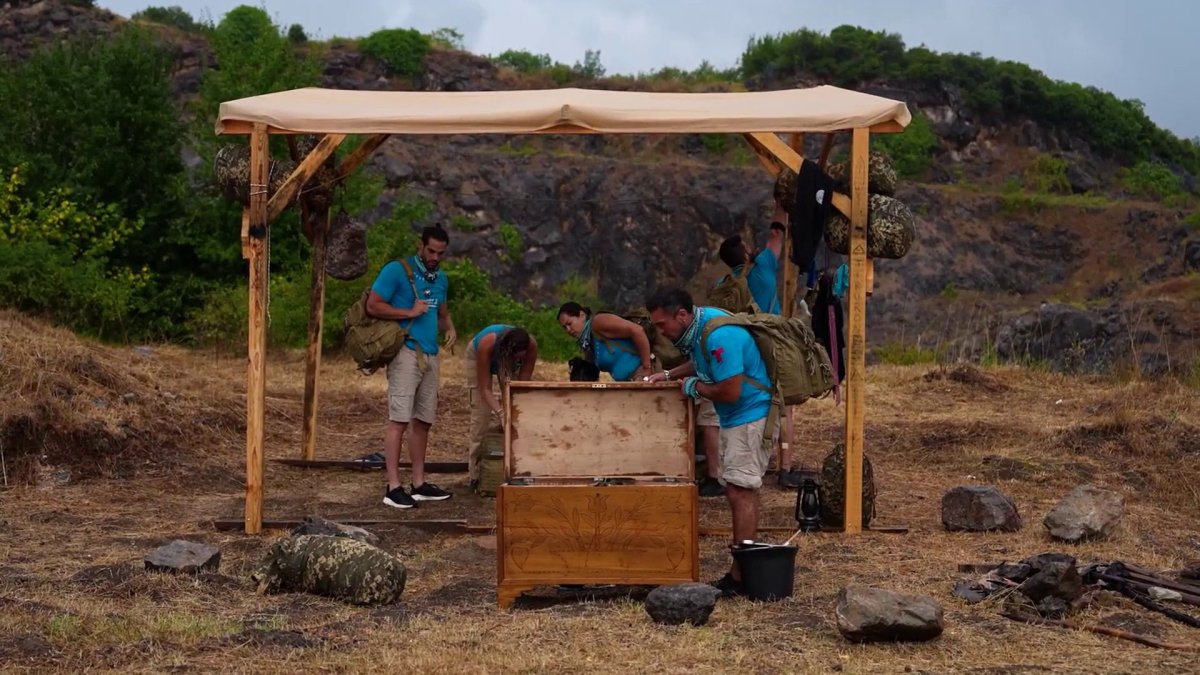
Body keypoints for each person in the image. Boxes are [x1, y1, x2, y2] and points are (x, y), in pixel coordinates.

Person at [644, 287, 776, 597]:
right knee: (736, 489)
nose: (661, 332)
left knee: (741, 491)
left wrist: (695, 387)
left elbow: (729, 390)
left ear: (682, 315)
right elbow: (704, 364)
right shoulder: (700, 328)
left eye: (662, 324)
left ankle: (742, 576)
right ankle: (743, 570)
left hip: (750, 416)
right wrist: (669, 375)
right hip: (736, 417)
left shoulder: (719, 335)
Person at [366, 224, 457, 509]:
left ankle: (418, 483)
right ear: (420, 245)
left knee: (424, 420)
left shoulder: (441, 278)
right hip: (406, 351)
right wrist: (409, 312)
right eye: (431, 251)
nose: (435, 257)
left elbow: (442, 312)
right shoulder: (397, 270)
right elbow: (373, 305)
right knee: (399, 419)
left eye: (440, 253)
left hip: (431, 354)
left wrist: (450, 328)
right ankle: (393, 486)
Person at [717, 200, 801, 489]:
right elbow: (776, 235)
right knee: (784, 405)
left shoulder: (723, 285)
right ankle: (785, 466)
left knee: (751, 403)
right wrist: (782, 204)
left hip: (741, 350)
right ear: (744, 253)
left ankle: (749, 459)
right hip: (771, 344)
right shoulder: (762, 267)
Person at [466, 324, 538, 491]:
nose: (519, 360)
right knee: (480, 416)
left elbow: (521, 386)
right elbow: (485, 388)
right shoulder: (486, 344)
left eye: (520, 358)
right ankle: (474, 475)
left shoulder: (531, 346)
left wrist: (510, 410)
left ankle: (513, 468)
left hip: (505, 359)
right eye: (516, 357)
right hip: (479, 355)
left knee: (515, 412)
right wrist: (500, 413)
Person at [556, 302, 654, 382]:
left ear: (582, 315)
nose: (568, 330)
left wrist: (647, 368)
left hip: (648, 377)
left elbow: (637, 331)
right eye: (565, 327)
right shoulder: (588, 343)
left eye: (569, 323)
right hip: (628, 383)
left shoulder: (598, 322)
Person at [811, 271, 847, 385]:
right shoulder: (834, 301)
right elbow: (840, 322)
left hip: (827, 341)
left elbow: (816, 322)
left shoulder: (821, 302)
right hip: (830, 340)